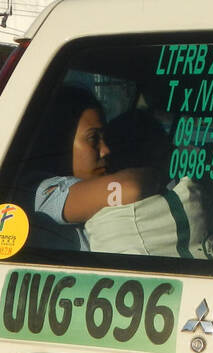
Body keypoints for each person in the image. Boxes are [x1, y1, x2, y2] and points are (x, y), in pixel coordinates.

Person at [31, 86, 158, 249]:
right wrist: (158, 174)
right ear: (60, 142)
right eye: (93, 139)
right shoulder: (40, 192)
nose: (106, 151)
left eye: (106, 139)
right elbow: (131, 188)